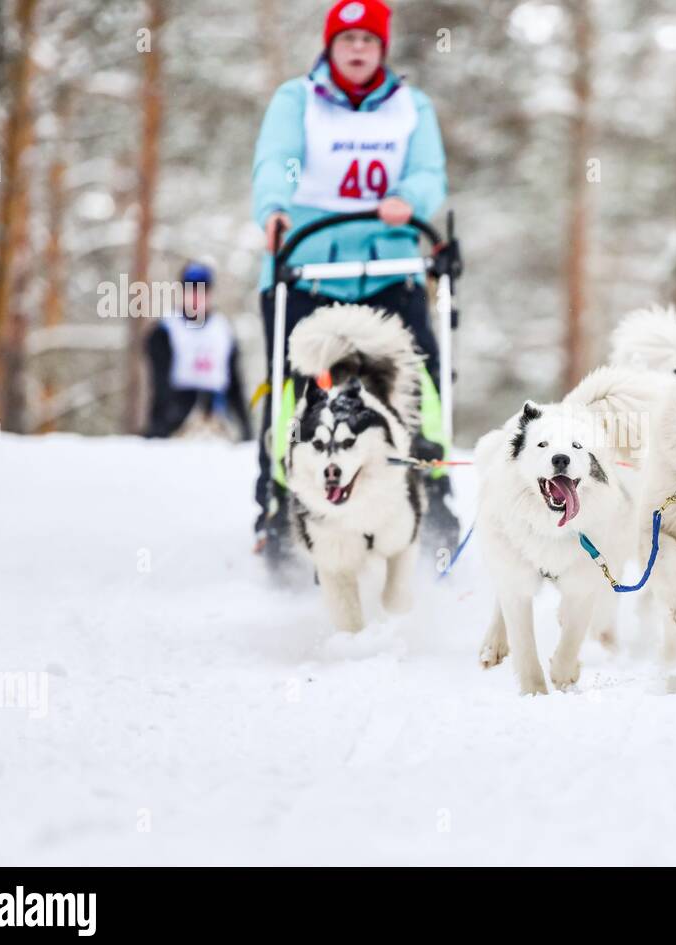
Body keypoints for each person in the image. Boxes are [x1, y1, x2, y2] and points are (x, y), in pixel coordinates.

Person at [250, 0, 455, 555]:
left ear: (382, 48)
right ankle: (282, 500)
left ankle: (431, 487)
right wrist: (274, 207)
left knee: (423, 382)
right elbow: (277, 160)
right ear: (331, 46)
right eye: (347, 40)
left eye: (368, 39)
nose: (358, 49)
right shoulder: (298, 100)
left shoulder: (413, 106)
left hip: (389, 265)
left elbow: (428, 171)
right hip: (305, 265)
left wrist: (408, 199)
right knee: (295, 389)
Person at [145, 261, 251, 441]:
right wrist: (161, 425)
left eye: (202, 290)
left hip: (217, 418)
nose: (196, 296)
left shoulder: (223, 330)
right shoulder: (165, 330)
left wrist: (245, 426)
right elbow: (159, 384)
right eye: (191, 290)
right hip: (177, 418)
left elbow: (235, 384)